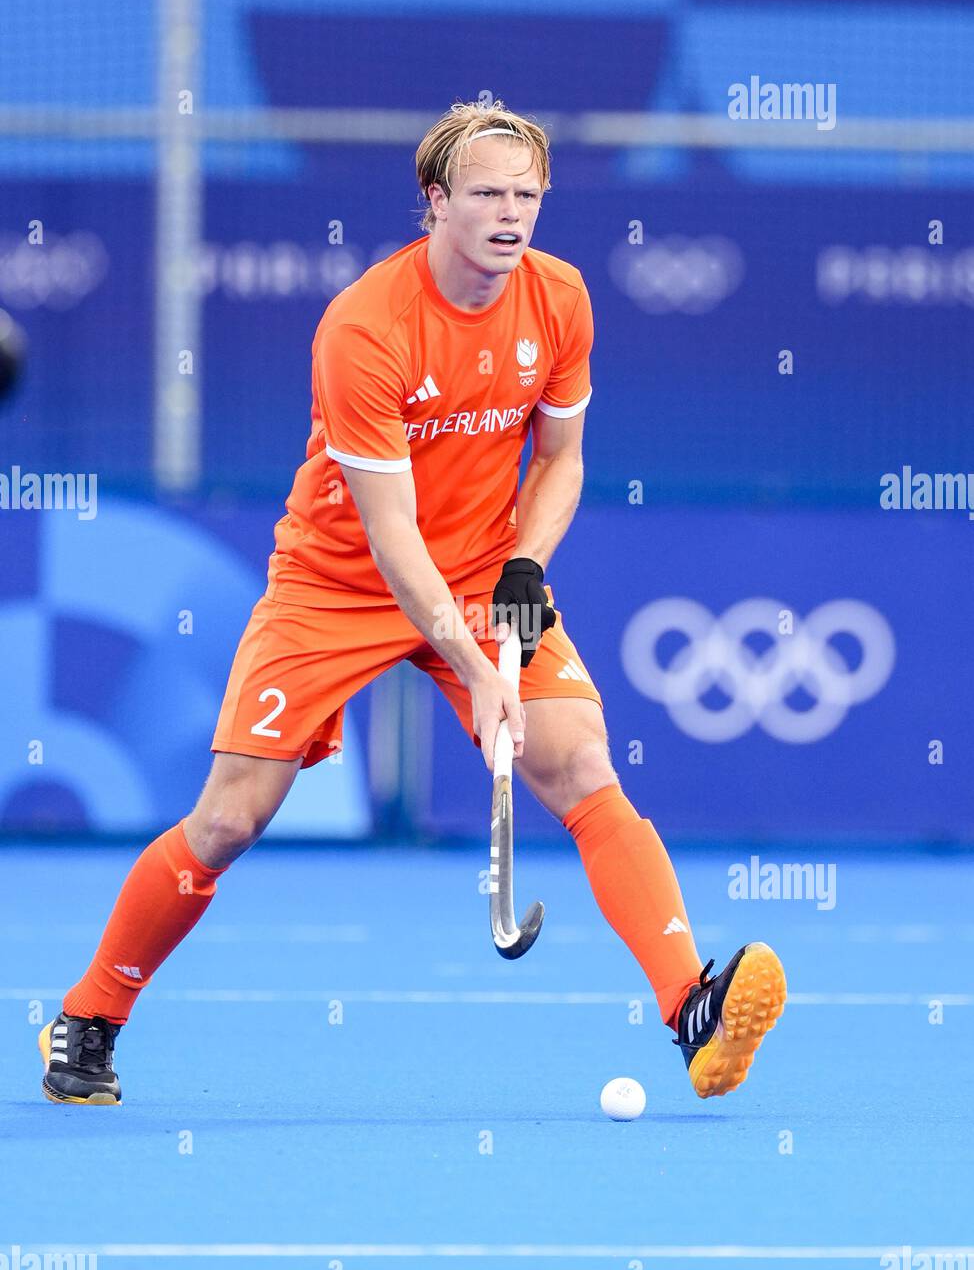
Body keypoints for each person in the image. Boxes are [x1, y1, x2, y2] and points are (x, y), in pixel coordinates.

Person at [39, 100, 785, 1107]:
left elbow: (560, 461)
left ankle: (687, 1008)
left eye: (526, 195)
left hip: (482, 570)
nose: (510, 214)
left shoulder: (558, 297)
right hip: (335, 581)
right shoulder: (364, 327)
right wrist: (481, 673)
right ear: (435, 202)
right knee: (229, 818)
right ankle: (90, 1015)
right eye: (486, 194)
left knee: (579, 762)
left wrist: (524, 561)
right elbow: (390, 541)